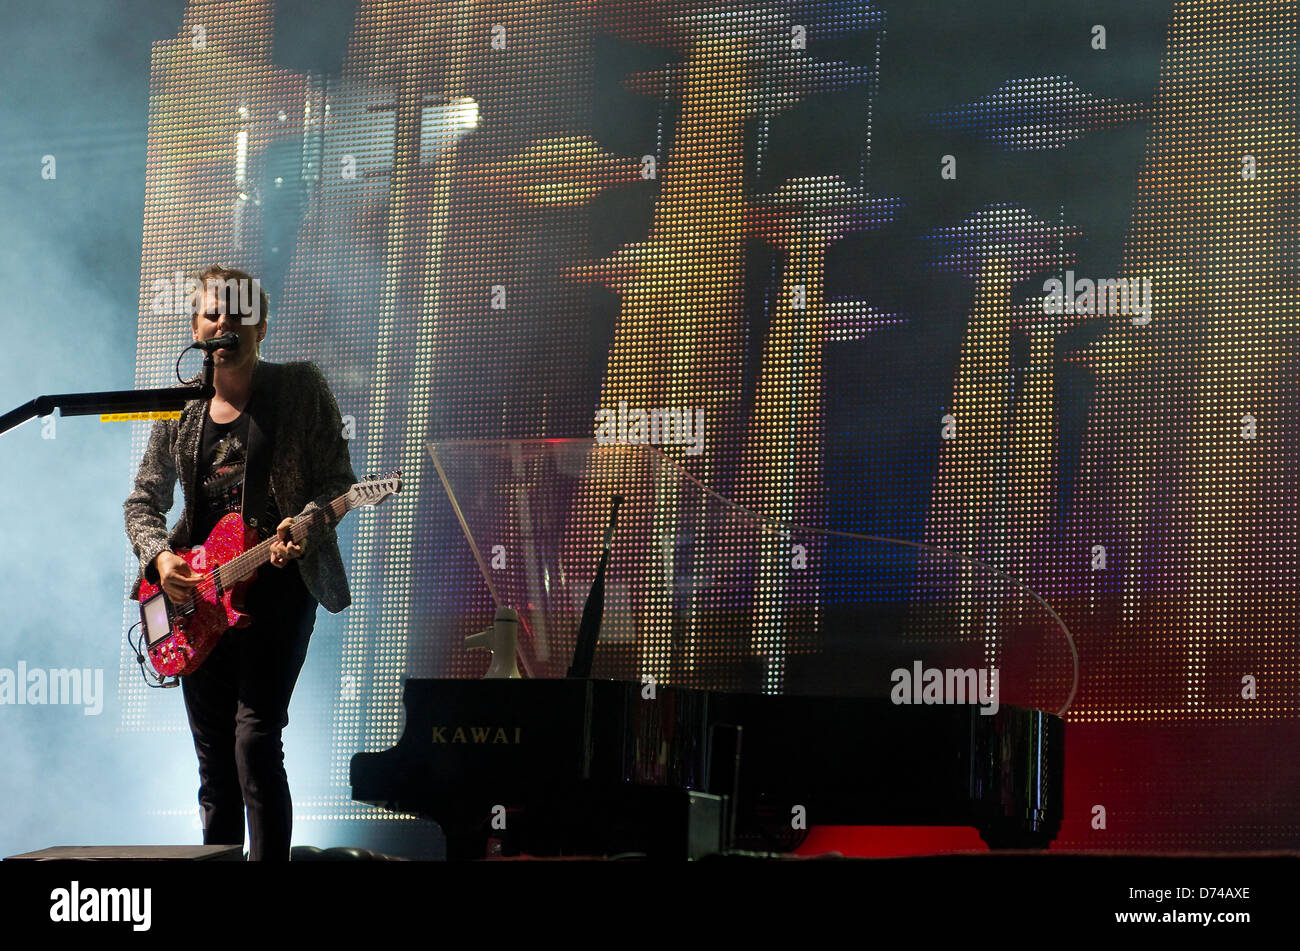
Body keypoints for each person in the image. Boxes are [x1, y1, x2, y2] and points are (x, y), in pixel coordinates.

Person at [124, 264, 356, 861]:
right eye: (211, 311)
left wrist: (302, 525)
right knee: (213, 767)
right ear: (195, 327)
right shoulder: (181, 407)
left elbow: (338, 482)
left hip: (276, 591)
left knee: (255, 740)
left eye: (238, 311)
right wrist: (160, 561)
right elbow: (143, 500)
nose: (223, 320)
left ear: (261, 326)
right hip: (197, 598)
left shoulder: (300, 388)